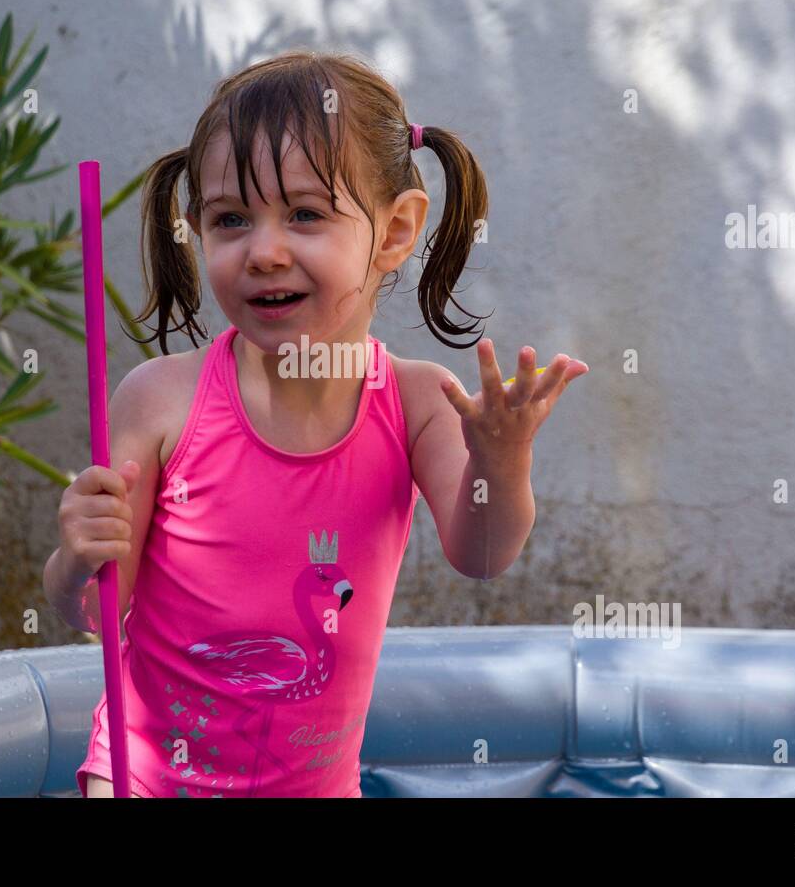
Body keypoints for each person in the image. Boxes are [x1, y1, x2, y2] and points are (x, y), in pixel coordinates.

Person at [43, 49, 589, 798]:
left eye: (304, 214)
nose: (264, 252)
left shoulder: (417, 403)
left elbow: (483, 554)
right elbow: (97, 617)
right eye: (230, 219)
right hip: (143, 780)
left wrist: (502, 462)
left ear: (395, 232)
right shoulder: (161, 401)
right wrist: (77, 559)